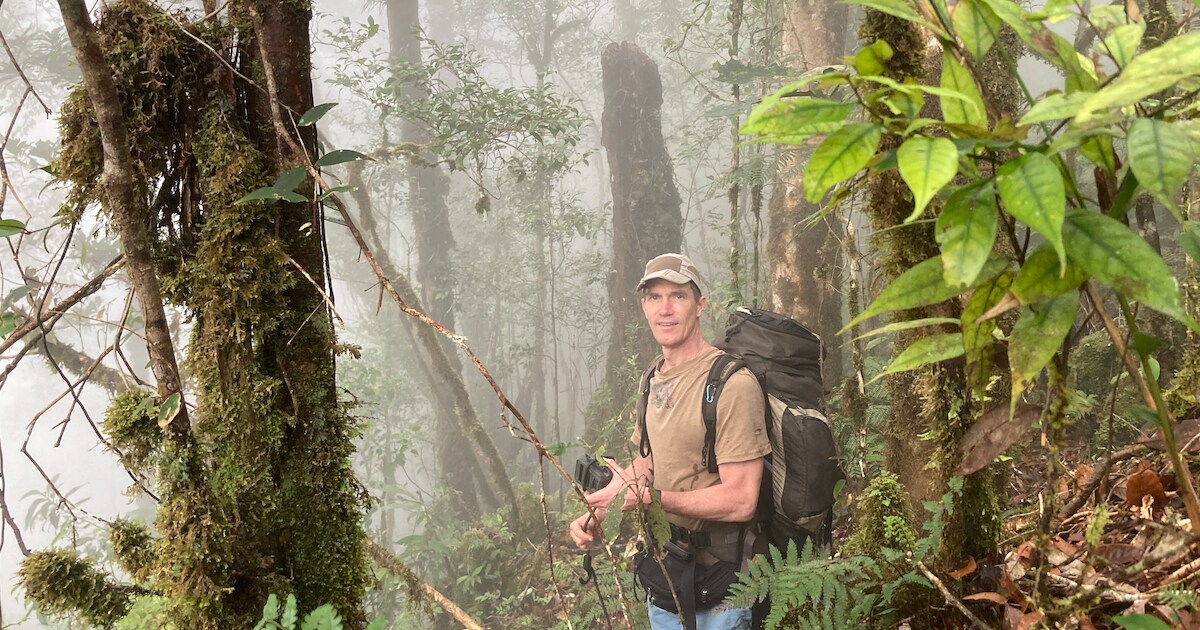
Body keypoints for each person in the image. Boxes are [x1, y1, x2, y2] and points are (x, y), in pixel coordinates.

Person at [570, 253, 769, 630]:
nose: (665, 309)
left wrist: (650, 498)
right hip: (665, 576)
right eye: (654, 297)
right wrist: (601, 509)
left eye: (678, 296)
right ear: (644, 306)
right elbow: (648, 462)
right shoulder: (652, 379)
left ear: (700, 305)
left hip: (723, 588)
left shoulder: (730, 385)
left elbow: (742, 500)